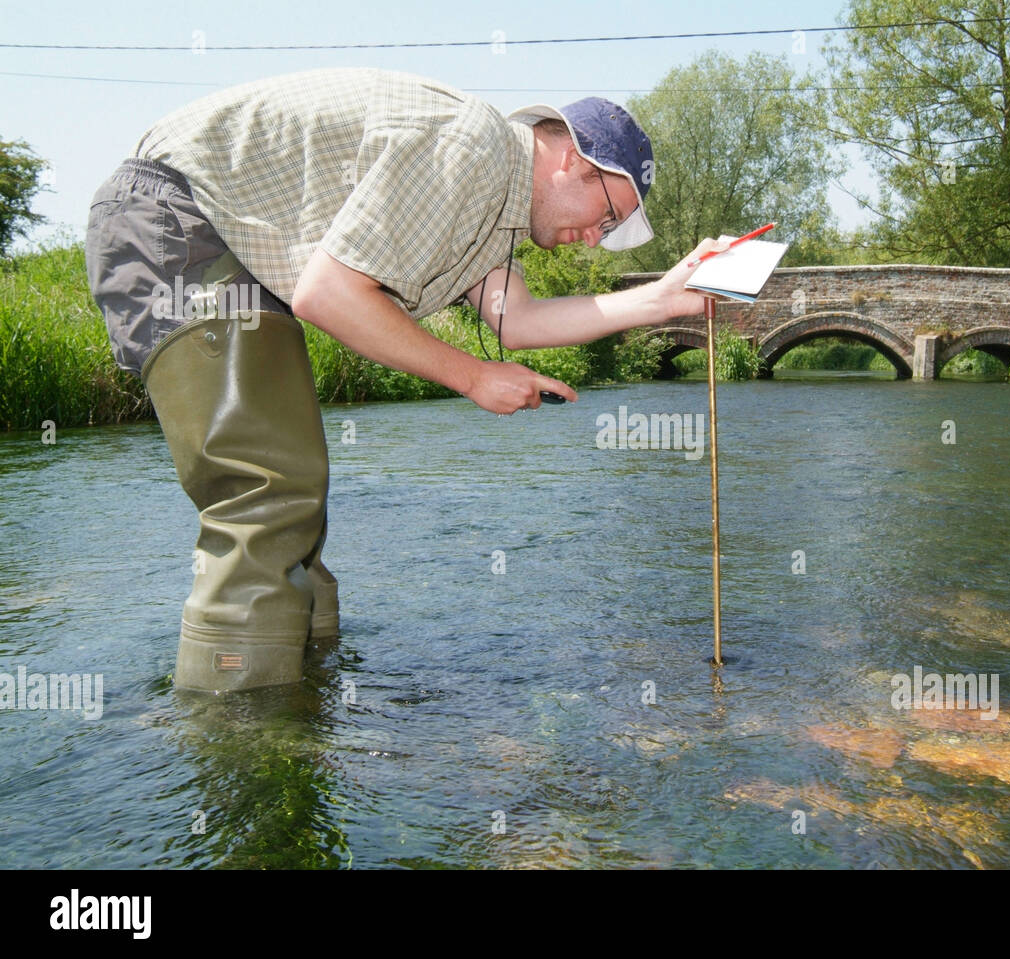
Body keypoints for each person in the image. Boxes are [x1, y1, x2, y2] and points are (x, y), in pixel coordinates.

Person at [85, 67, 725, 694]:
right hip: (175, 218)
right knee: (268, 494)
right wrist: (474, 378)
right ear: (573, 160)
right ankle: (242, 742)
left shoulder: (492, 208)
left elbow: (519, 322)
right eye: (606, 215)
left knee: (293, 506)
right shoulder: (470, 148)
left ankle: (302, 699)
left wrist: (665, 298)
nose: (594, 239)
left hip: (227, 247)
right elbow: (329, 294)